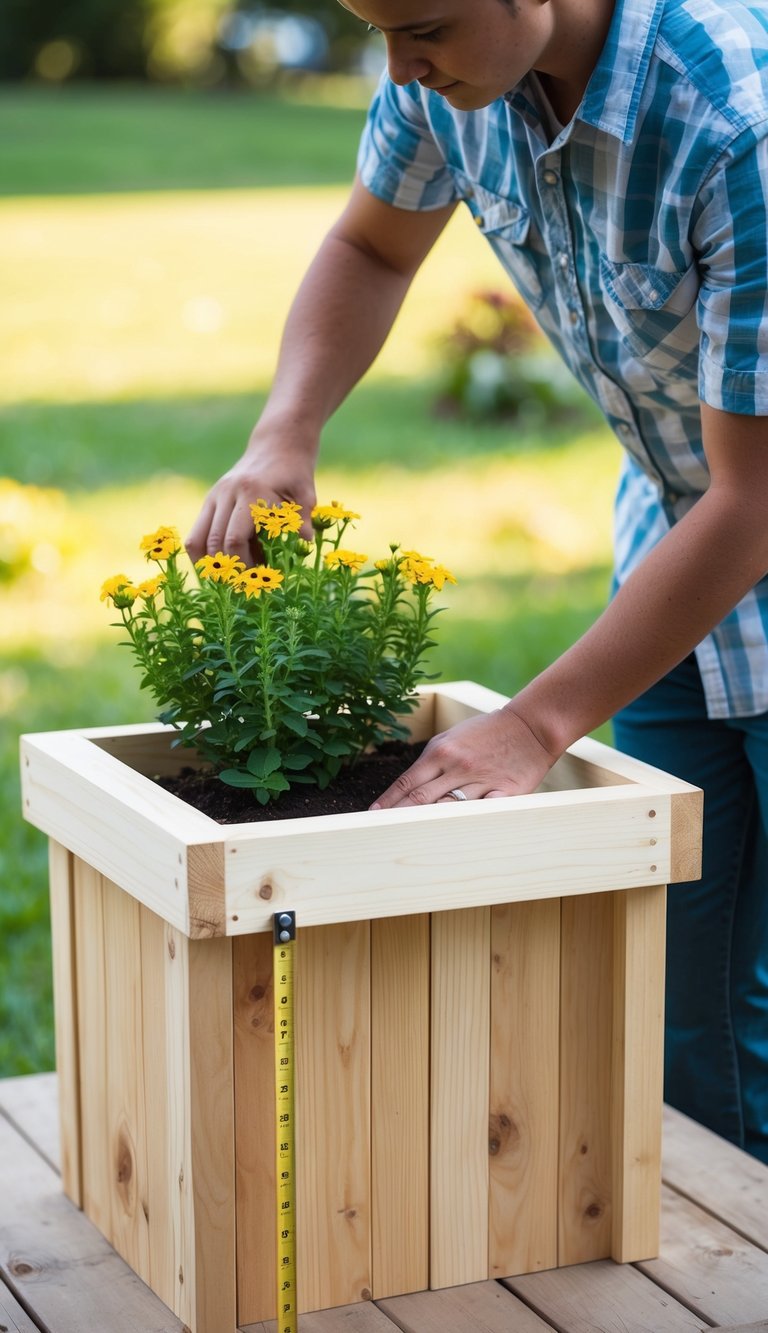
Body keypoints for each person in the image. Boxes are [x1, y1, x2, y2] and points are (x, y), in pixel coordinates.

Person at [186, 0, 768, 1162]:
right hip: (675, 572)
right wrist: (284, 431)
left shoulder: (734, 122)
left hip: (736, 527)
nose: (398, 65)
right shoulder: (447, 79)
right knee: (677, 994)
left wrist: (534, 722)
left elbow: (754, 502)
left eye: (424, 27)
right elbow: (371, 245)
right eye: (378, 27)